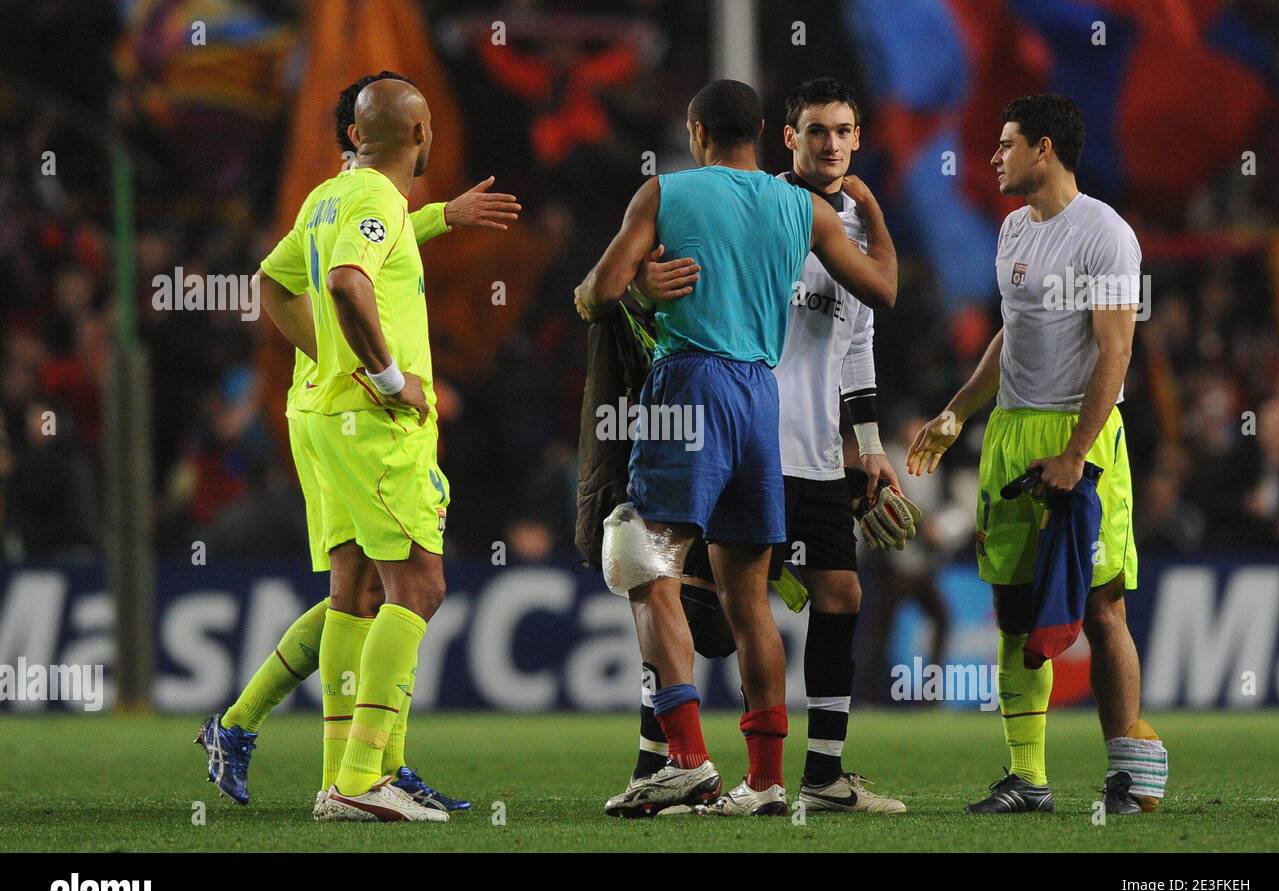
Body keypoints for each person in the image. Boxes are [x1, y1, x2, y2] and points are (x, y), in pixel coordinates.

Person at [196, 72, 520, 817]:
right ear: (421, 134)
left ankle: (335, 768)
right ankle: (361, 776)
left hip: (318, 413)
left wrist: (328, 355)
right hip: (368, 420)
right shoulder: (374, 198)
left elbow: (273, 281)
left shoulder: (329, 196)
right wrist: (386, 374)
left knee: (356, 592)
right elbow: (347, 279)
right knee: (421, 586)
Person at [575, 79, 895, 816]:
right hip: (762, 398)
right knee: (750, 601)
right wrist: (873, 218)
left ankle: (684, 759)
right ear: (765, 131)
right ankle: (769, 780)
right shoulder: (805, 209)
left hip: (691, 385)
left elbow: (597, 293)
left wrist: (646, 292)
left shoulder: (665, 194)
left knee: (643, 560)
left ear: (695, 131)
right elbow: (881, 289)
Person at [907, 94, 1168, 815]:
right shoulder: (1013, 229)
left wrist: (1078, 453)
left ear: (1044, 148)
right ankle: (1029, 777)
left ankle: (1128, 772)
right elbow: (1010, 335)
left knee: (1103, 606)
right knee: (1014, 608)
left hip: (1079, 436)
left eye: (1006, 142)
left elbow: (1117, 349)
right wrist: (960, 408)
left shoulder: (1105, 234)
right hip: (1012, 434)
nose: (994, 155)